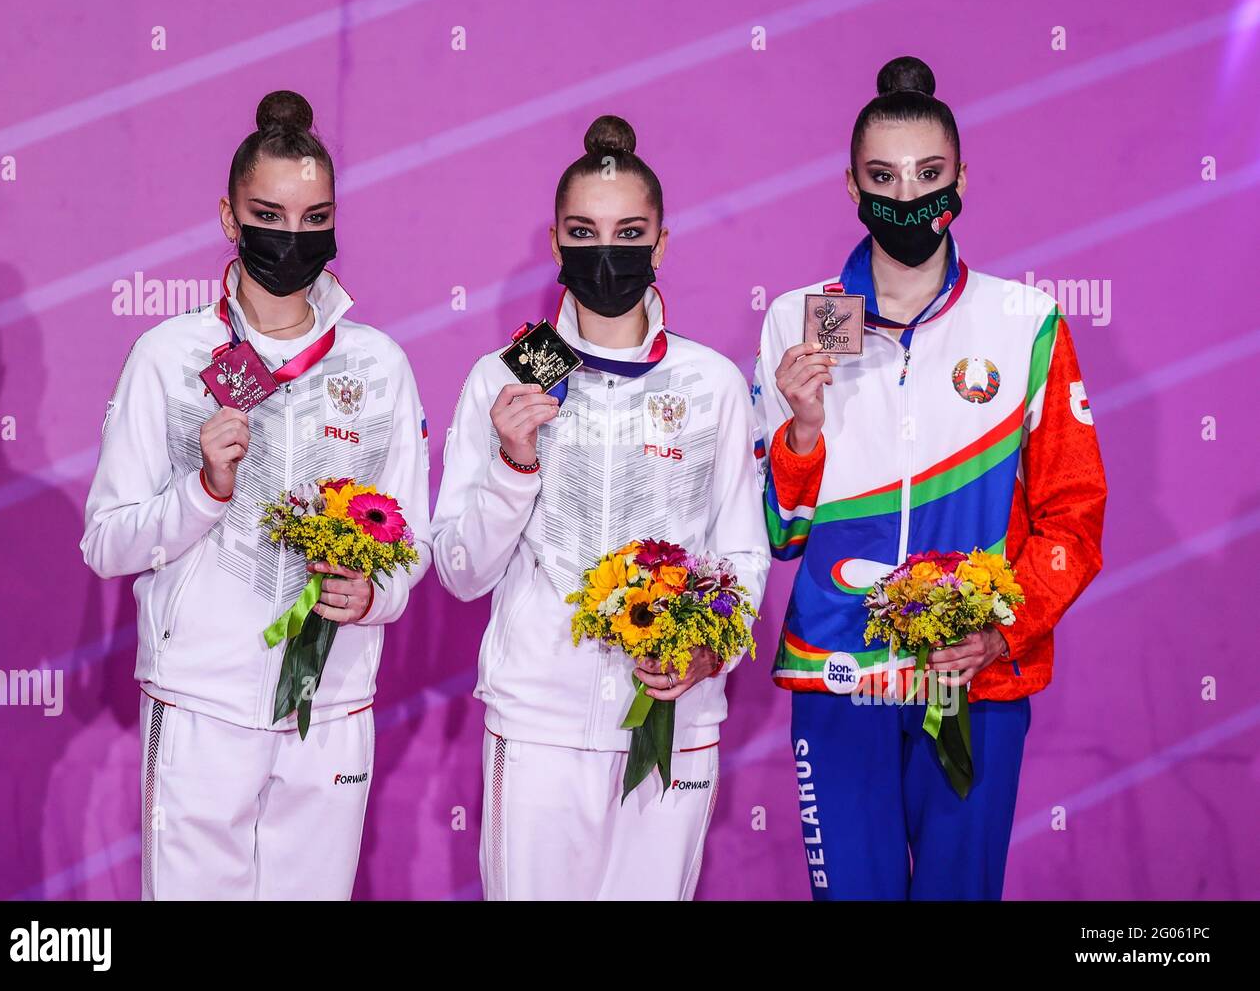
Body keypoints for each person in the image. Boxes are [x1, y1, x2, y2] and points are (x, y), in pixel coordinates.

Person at [753, 57, 1107, 900]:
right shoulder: (798, 322)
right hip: (838, 676)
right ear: (849, 185)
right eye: (882, 177)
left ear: (961, 178)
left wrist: (999, 631)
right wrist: (802, 429)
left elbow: (1074, 517)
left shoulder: (1024, 323)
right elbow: (780, 532)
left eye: (927, 176)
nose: (905, 197)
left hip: (975, 678)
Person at [81, 90, 431, 900]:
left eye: (316, 217)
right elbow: (106, 542)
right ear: (229, 218)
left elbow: (409, 549)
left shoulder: (379, 364)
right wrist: (204, 490)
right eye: (269, 213)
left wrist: (372, 592)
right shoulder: (168, 355)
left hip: (333, 703)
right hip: (203, 701)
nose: (293, 236)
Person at [431, 115, 769, 901]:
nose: (605, 251)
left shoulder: (711, 382)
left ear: (662, 242)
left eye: (628, 231)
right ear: (554, 242)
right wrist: (516, 463)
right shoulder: (505, 377)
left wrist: (707, 653)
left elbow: (743, 553)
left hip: (674, 716)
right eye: (583, 231)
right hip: (540, 721)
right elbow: (459, 571)